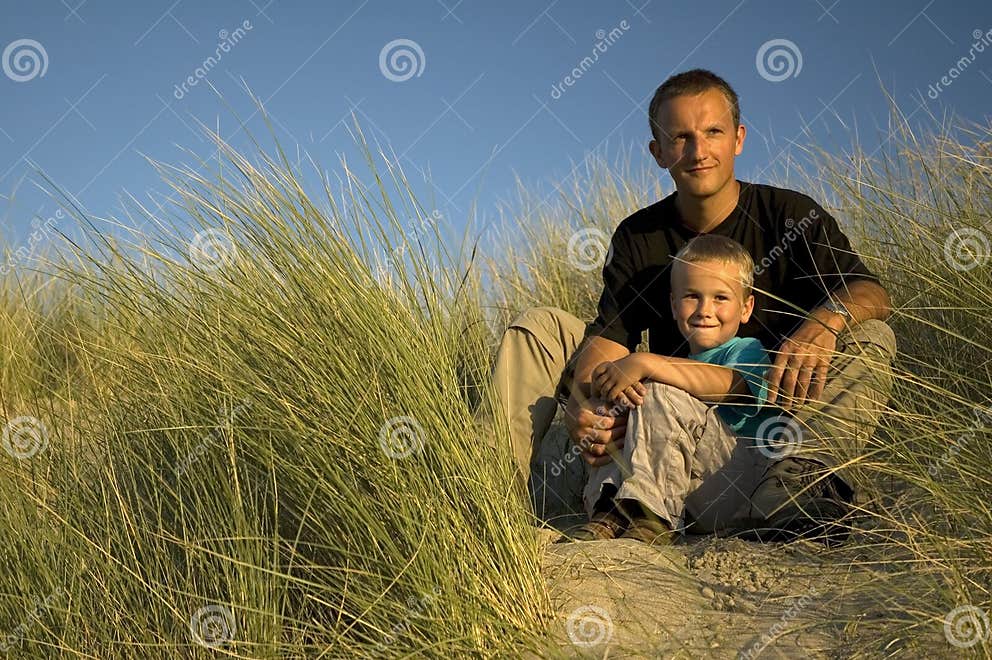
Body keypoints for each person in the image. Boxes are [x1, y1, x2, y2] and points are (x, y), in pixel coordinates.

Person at [488, 68, 896, 545]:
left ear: (738, 139)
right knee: (538, 327)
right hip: (658, 425)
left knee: (874, 334)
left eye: (713, 132)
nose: (698, 151)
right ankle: (484, 489)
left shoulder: (789, 215)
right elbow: (609, 335)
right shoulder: (638, 236)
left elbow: (871, 292)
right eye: (680, 137)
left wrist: (825, 322)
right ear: (658, 152)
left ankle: (798, 490)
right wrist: (586, 406)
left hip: (755, 444)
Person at [563, 234, 779, 544]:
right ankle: (611, 507)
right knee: (625, 403)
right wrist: (608, 386)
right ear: (674, 305)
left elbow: (729, 383)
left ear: (746, 308)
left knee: (656, 392)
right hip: (686, 496)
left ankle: (650, 517)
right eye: (692, 296)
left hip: (733, 486)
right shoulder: (671, 365)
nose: (705, 309)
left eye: (721, 298)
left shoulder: (747, 351)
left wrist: (646, 363)